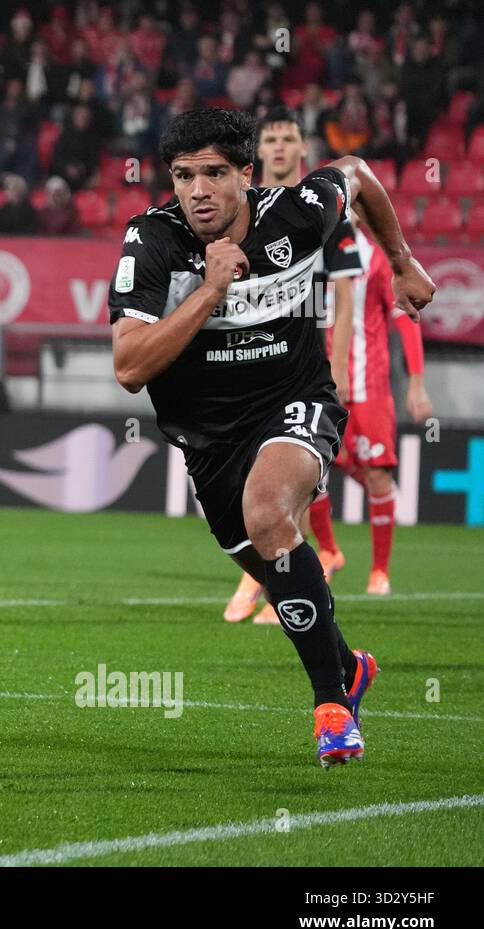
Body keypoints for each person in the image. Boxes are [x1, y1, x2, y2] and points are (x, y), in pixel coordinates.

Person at [108, 108, 434, 767]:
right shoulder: (152, 242)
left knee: (268, 514)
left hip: (296, 402)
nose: (197, 190)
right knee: (272, 566)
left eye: (214, 174)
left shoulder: (298, 209)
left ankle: (332, 709)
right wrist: (208, 290)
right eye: (183, 176)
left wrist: (401, 262)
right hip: (207, 439)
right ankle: (349, 666)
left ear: (246, 176)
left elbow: (359, 173)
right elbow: (130, 368)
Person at [224, 106, 364, 625]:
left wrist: (342, 363)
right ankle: (311, 559)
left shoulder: (317, 207)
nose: (280, 147)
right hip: (251, 363)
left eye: (289, 138)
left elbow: (345, 296)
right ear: (258, 152)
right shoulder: (239, 210)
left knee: (285, 470)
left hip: (304, 360)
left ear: (302, 148)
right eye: (272, 139)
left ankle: (269, 580)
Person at [314, 205, 433, 595]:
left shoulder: (378, 258)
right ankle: (329, 551)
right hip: (321, 386)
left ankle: (379, 572)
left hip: (370, 388)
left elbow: (404, 317)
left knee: (378, 475)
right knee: (309, 473)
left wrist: (416, 383)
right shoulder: (312, 253)